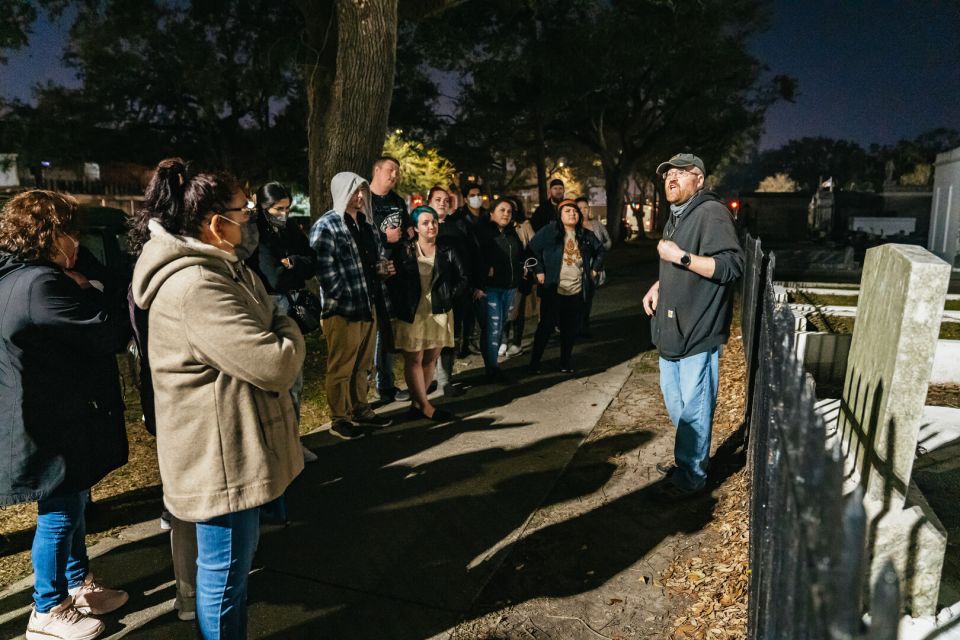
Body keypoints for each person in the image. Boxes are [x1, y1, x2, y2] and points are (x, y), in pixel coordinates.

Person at [131, 158, 305, 638]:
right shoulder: (197, 285)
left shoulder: (220, 269)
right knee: (224, 575)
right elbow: (274, 362)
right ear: (215, 224)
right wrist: (289, 324)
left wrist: (273, 318)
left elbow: (262, 318)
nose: (250, 218)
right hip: (218, 454)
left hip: (228, 445)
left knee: (232, 570)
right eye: (243, 211)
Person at [0, 190, 129, 640]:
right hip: (49, 419)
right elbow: (106, 334)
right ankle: (47, 609)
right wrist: (91, 289)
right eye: (70, 231)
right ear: (48, 234)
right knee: (59, 512)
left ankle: (78, 585)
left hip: (49, 411)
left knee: (71, 501)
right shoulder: (40, 284)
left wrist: (83, 275)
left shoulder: (20, 274)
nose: (77, 240)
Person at [642, 153, 743, 499]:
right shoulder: (677, 216)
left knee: (693, 408)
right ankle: (688, 462)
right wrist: (660, 286)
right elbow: (677, 266)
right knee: (677, 404)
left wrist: (680, 258)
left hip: (697, 329)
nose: (671, 178)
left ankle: (693, 477)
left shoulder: (711, 213)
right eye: (668, 173)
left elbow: (731, 266)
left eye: (682, 173)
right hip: (672, 328)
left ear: (700, 180)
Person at [310, 172, 396, 439]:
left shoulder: (367, 225)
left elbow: (375, 260)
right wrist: (343, 295)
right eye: (354, 191)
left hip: (368, 302)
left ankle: (361, 408)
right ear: (341, 192)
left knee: (363, 364)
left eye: (362, 191)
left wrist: (384, 270)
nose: (359, 197)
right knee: (341, 365)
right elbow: (324, 269)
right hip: (342, 309)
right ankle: (339, 418)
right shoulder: (327, 225)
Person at [246, 181, 318, 464]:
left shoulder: (289, 229)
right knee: (279, 379)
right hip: (272, 306)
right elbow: (273, 276)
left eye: (287, 208)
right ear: (264, 208)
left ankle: (293, 441)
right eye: (278, 209)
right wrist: (293, 266)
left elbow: (313, 261)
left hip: (290, 303)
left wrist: (294, 263)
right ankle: (278, 446)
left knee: (296, 378)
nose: (283, 214)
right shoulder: (258, 234)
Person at [388, 205, 468, 420]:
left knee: (430, 359)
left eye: (433, 221)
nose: (431, 226)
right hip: (413, 312)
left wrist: (448, 296)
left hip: (439, 312)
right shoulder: (405, 251)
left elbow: (463, 278)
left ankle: (417, 404)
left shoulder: (447, 251)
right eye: (425, 222)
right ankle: (425, 405)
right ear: (415, 228)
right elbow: (394, 281)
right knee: (414, 359)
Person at [528, 199, 604, 374]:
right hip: (553, 288)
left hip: (575, 289)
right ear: (559, 215)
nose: (572, 214)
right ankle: (534, 364)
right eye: (568, 211)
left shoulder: (584, 234)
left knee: (569, 329)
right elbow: (532, 249)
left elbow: (599, 250)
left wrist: (594, 269)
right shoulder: (550, 231)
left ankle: (565, 362)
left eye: (575, 211)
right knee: (545, 327)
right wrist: (538, 270)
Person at [370, 156, 412, 402]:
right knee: (377, 329)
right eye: (390, 170)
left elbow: (405, 228)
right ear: (377, 170)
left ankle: (387, 382)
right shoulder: (366, 199)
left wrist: (407, 234)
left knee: (390, 329)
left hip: (397, 271)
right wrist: (386, 238)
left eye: (397, 171)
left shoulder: (397, 201)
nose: (394, 175)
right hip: (376, 270)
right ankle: (379, 382)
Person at [474, 198, 525, 383]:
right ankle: (492, 369)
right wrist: (482, 277)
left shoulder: (512, 233)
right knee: (492, 329)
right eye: (502, 210)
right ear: (492, 213)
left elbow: (520, 255)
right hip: (490, 288)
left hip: (510, 287)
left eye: (509, 211)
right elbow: (475, 258)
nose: (506, 214)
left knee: (499, 325)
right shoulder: (483, 233)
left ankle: (492, 366)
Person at [431, 186, 473, 397]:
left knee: (448, 337)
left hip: (452, 293)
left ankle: (445, 380)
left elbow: (468, 259)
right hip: (427, 295)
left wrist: (461, 289)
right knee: (428, 340)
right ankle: (429, 379)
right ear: (429, 202)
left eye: (446, 200)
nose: (442, 203)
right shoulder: (419, 226)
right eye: (437, 199)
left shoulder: (458, 227)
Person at [449, 183, 485, 356]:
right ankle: (458, 344)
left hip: (481, 268)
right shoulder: (458, 219)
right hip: (465, 267)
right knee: (463, 309)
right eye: (472, 195)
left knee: (475, 309)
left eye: (479, 194)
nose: (476, 198)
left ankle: (470, 341)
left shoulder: (485, 217)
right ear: (465, 198)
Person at [502, 196, 536, 358]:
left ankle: (516, 342)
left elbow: (534, 246)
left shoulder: (524, 225)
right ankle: (503, 340)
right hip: (504, 275)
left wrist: (528, 267)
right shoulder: (499, 226)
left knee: (518, 310)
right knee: (504, 309)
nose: (510, 212)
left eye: (513, 208)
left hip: (522, 274)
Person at [577, 195, 611, 336]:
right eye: (580, 208)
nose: (583, 210)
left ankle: (585, 323)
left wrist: (598, 248)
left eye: (585, 207)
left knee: (588, 297)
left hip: (594, 267)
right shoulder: (574, 226)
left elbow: (608, 242)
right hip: (578, 267)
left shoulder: (596, 225)